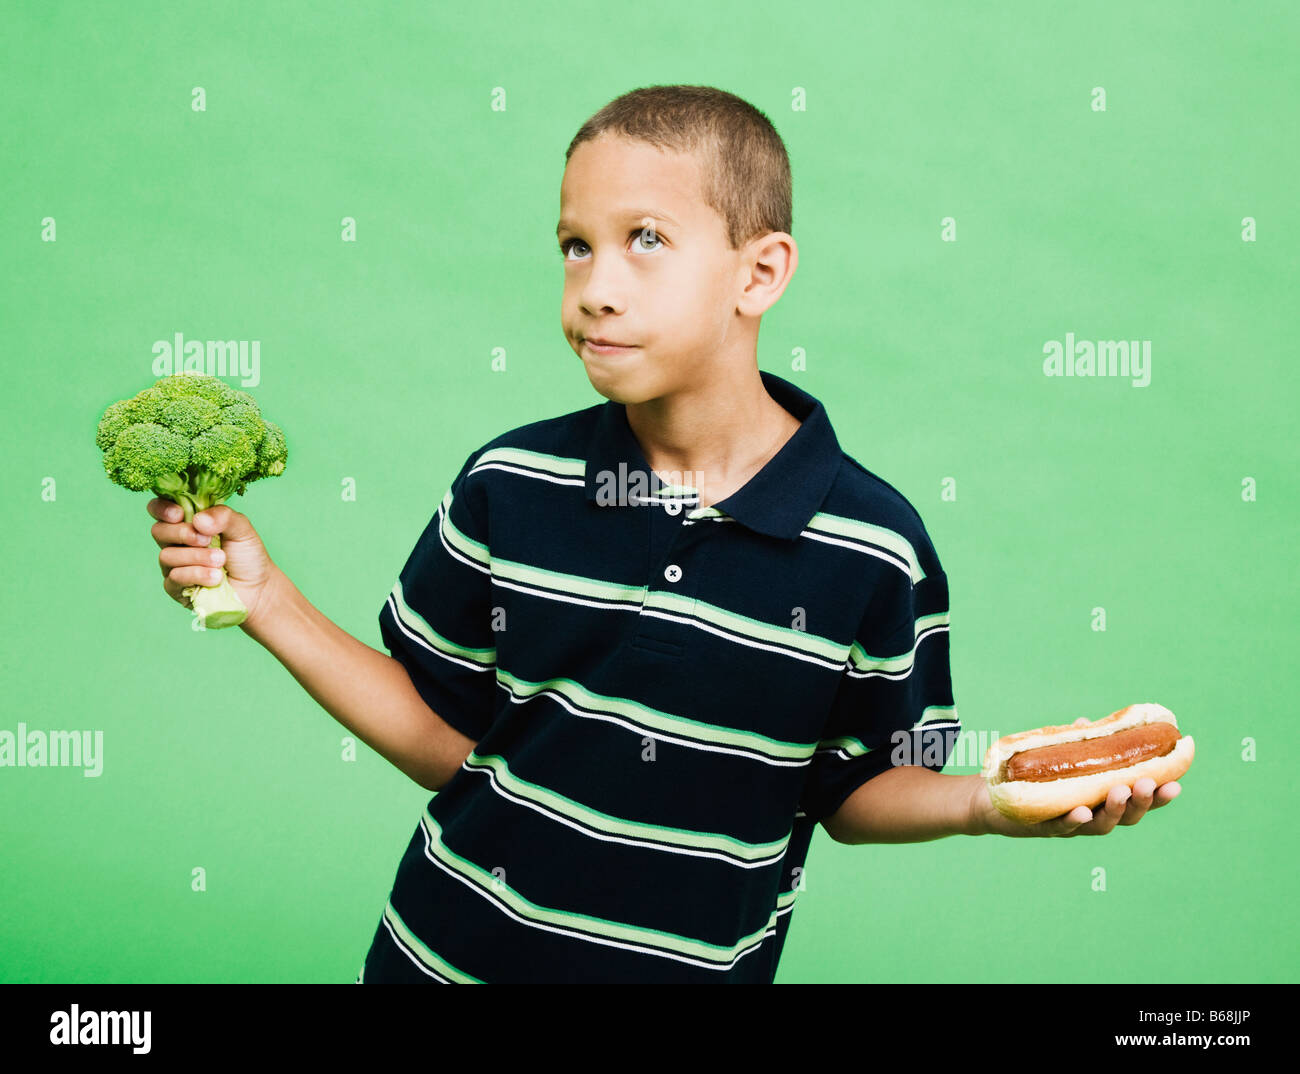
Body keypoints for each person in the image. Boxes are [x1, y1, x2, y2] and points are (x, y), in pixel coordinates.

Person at [145, 85, 1183, 983]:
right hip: (438, 962)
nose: (594, 287)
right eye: (574, 246)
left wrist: (983, 805)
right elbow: (448, 742)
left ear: (759, 273)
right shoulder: (511, 485)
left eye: (646, 240)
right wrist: (268, 601)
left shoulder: (875, 551)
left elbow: (855, 786)